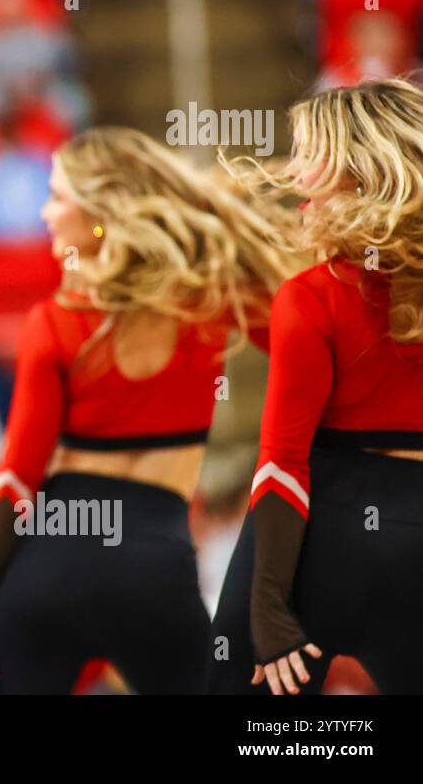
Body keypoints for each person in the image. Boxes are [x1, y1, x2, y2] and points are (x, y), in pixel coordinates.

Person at [0, 128, 299, 694]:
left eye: (58, 197)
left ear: (99, 214)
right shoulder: (209, 299)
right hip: (152, 566)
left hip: (44, 572)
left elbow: (15, 481)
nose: (44, 211)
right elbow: (308, 357)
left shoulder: (53, 322)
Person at [209, 78, 423, 695]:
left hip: (322, 537)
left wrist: (270, 606)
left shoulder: (310, 295)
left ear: (356, 171)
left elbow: (282, 464)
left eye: (309, 154)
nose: (296, 175)